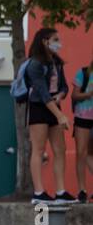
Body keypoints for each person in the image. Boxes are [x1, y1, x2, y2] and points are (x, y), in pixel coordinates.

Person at [24, 27, 75, 204]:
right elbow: (42, 93)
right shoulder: (35, 64)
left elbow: (64, 87)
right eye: (55, 40)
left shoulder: (56, 62)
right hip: (39, 107)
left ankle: (60, 192)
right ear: (45, 41)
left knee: (60, 149)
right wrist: (60, 115)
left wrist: (60, 95)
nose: (58, 43)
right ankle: (39, 193)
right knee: (38, 149)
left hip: (55, 105)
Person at [72, 55, 93, 203]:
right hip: (83, 117)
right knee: (81, 152)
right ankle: (82, 190)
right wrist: (88, 94)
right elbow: (74, 95)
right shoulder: (84, 73)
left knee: (89, 154)